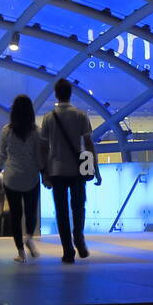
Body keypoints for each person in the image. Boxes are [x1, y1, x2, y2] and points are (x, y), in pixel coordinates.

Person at [39, 78, 100, 264]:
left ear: (56, 94)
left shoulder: (49, 118)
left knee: (62, 211)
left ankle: (67, 250)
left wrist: (44, 172)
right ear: (70, 94)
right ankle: (79, 238)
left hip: (56, 170)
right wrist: (95, 168)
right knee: (79, 206)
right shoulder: (81, 115)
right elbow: (89, 144)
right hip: (78, 170)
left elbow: (43, 147)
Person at [0, 95, 43, 262]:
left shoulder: (7, 131)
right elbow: (39, 156)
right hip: (31, 176)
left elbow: (2, 154)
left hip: (12, 178)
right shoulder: (36, 132)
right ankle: (29, 236)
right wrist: (43, 172)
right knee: (31, 212)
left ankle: (20, 253)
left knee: (15, 216)